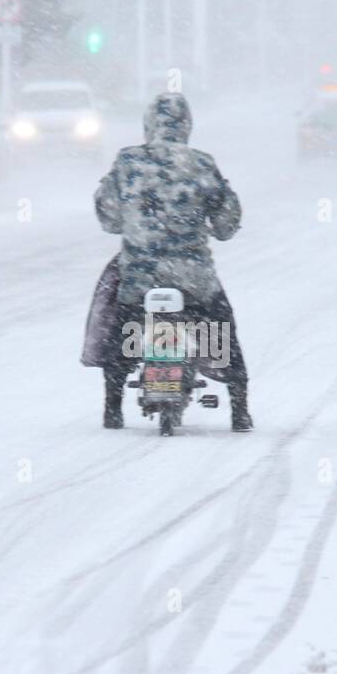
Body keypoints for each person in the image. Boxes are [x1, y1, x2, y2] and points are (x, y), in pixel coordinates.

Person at [89, 92, 252, 431]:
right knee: (222, 326)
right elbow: (226, 224)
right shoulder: (202, 164)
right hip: (194, 279)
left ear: (148, 126)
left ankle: (112, 405)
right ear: (187, 126)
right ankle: (239, 408)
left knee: (121, 330)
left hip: (139, 277)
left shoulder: (127, 162)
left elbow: (108, 218)